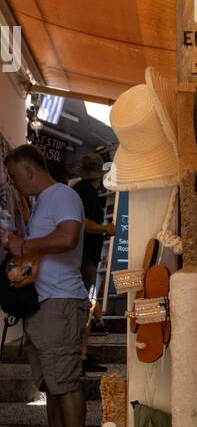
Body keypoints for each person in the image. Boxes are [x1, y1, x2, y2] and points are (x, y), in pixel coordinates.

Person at [3, 143, 89, 427]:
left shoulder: (62, 197)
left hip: (62, 304)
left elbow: (68, 238)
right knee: (51, 384)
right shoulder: (40, 205)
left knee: (65, 383)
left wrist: (26, 246)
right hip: (44, 302)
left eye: (13, 176)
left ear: (28, 169)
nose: (13, 183)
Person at [70, 153, 115, 372]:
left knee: (84, 305)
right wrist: (106, 228)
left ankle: (81, 354)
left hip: (82, 256)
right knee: (83, 306)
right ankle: (80, 356)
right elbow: (84, 223)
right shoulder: (86, 192)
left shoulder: (80, 190)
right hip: (85, 257)